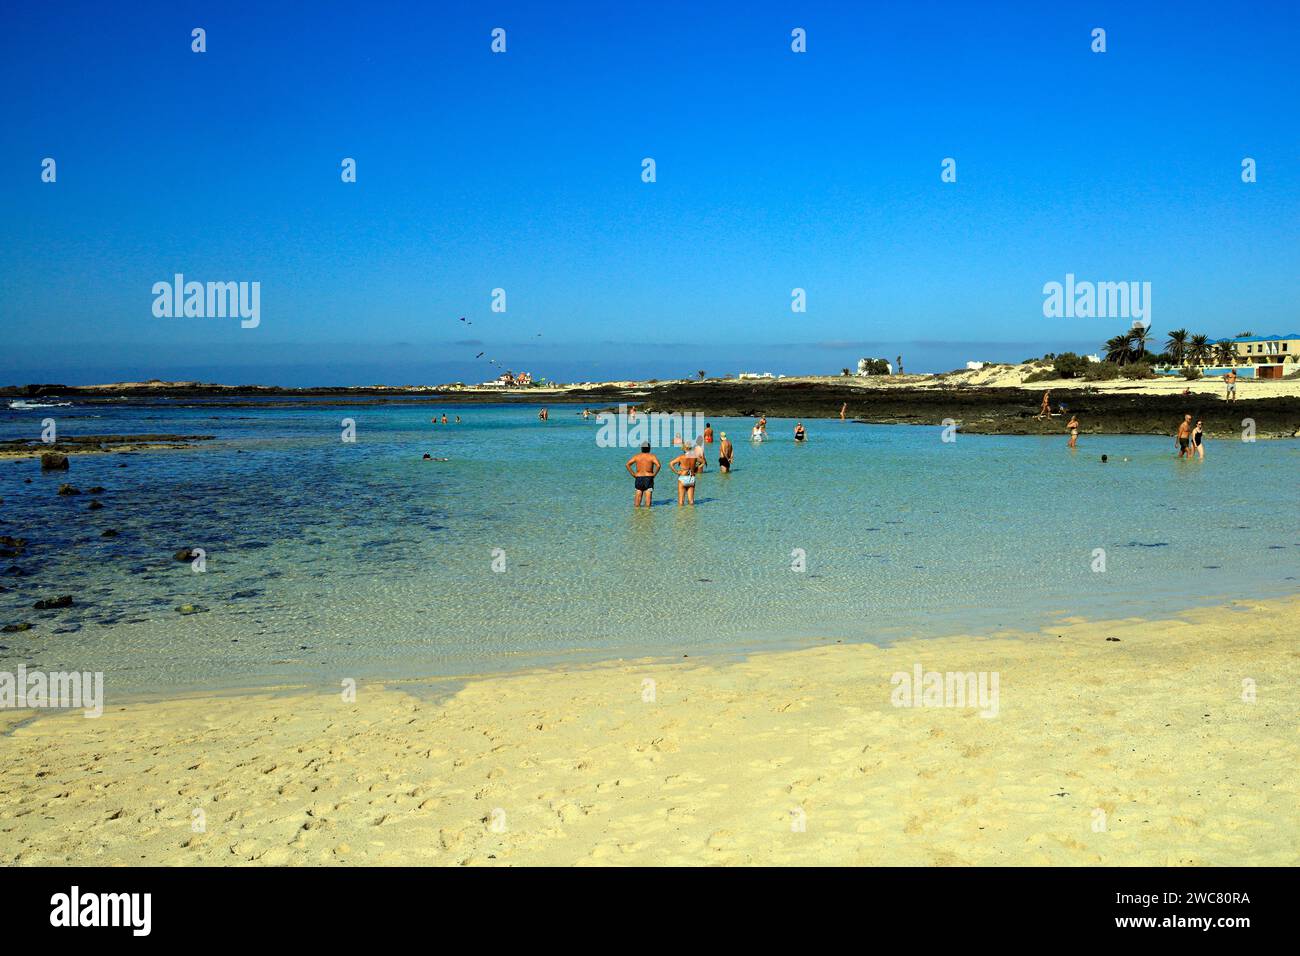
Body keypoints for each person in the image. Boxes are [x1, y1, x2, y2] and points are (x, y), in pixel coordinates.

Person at [625, 442, 661, 508]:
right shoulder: (652, 456)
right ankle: (647, 515)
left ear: (641, 448)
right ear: (649, 448)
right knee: (648, 500)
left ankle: (637, 515)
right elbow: (658, 465)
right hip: (649, 477)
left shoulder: (637, 456)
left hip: (639, 477)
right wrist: (654, 474)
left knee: (637, 498)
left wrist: (633, 474)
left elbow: (627, 464)